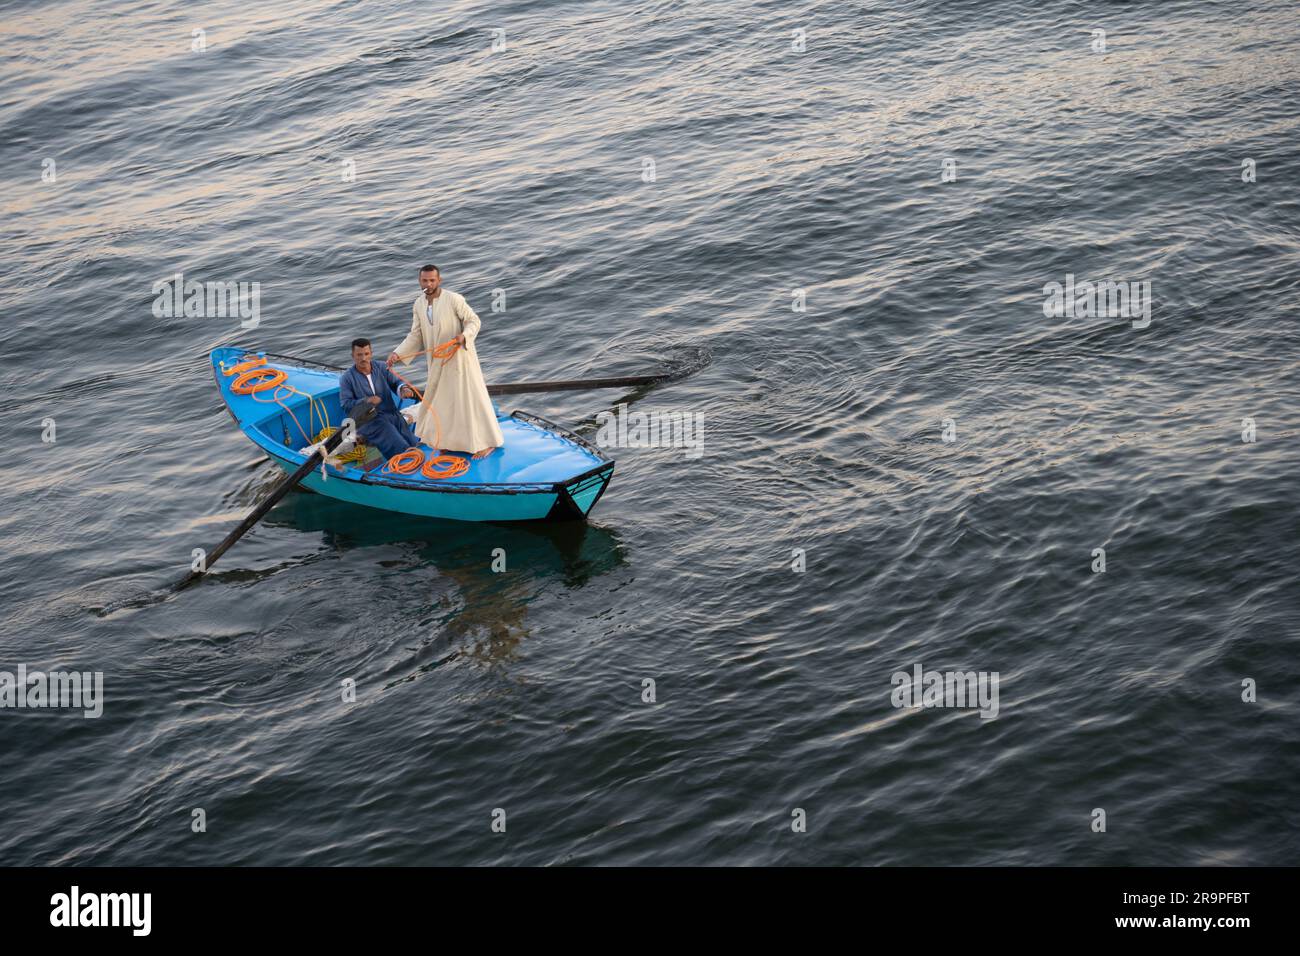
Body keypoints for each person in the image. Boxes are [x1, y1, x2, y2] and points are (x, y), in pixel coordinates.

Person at [387, 264, 503, 459]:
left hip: (460, 360)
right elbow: (416, 335)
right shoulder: (418, 304)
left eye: (432, 280)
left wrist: (463, 336)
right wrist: (398, 354)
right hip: (436, 363)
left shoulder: (454, 299)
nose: (428, 284)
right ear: (419, 281)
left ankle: (486, 442)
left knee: (469, 400)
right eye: (425, 280)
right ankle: (449, 443)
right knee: (444, 402)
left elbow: (474, 321)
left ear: (439, 280)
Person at [338, 338, 420, 461]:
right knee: (400, 448)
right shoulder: (347, 378)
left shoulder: (382, 367)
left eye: (366, 354)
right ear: (353, 356)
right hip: (369, 422)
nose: (363, 358)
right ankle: (404, 465)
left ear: (371, 353)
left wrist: (403, 389)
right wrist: (367, 401)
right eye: (359, 355)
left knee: (414, 443)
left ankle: (419, 459)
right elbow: (346, 405)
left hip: (391, 415)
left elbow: (396, 382)